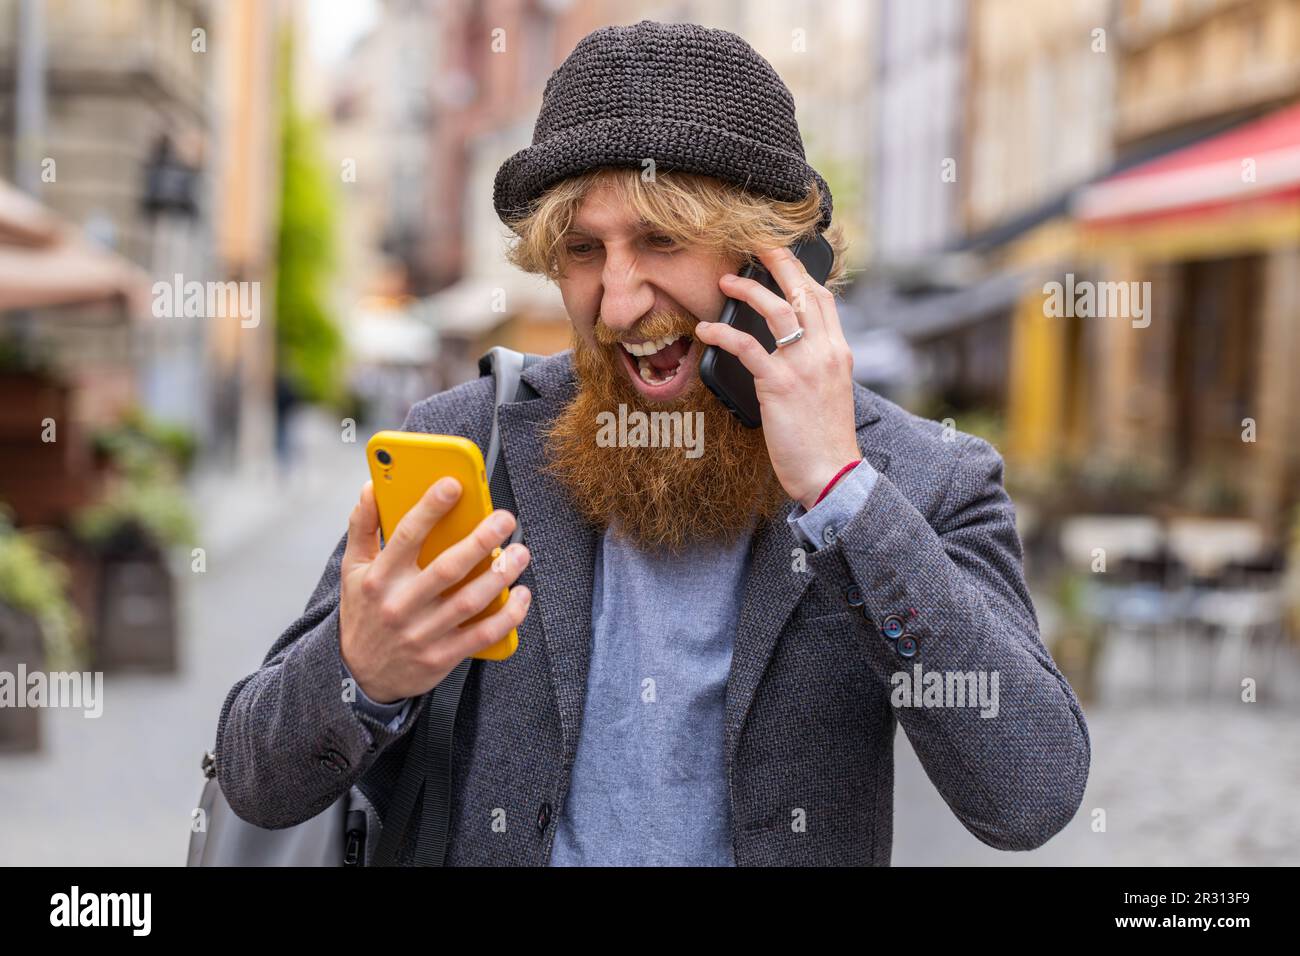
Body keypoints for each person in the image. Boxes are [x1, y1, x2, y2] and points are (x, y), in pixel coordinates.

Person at [215, 20, 1090, 866]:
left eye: (662, 240)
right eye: (585, 250)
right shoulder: (466, 443)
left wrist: (841, 493)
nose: (621, 302)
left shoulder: (920, 479)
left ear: (774, 262)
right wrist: (359, 671)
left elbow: (1029, 795)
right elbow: (257, 779)